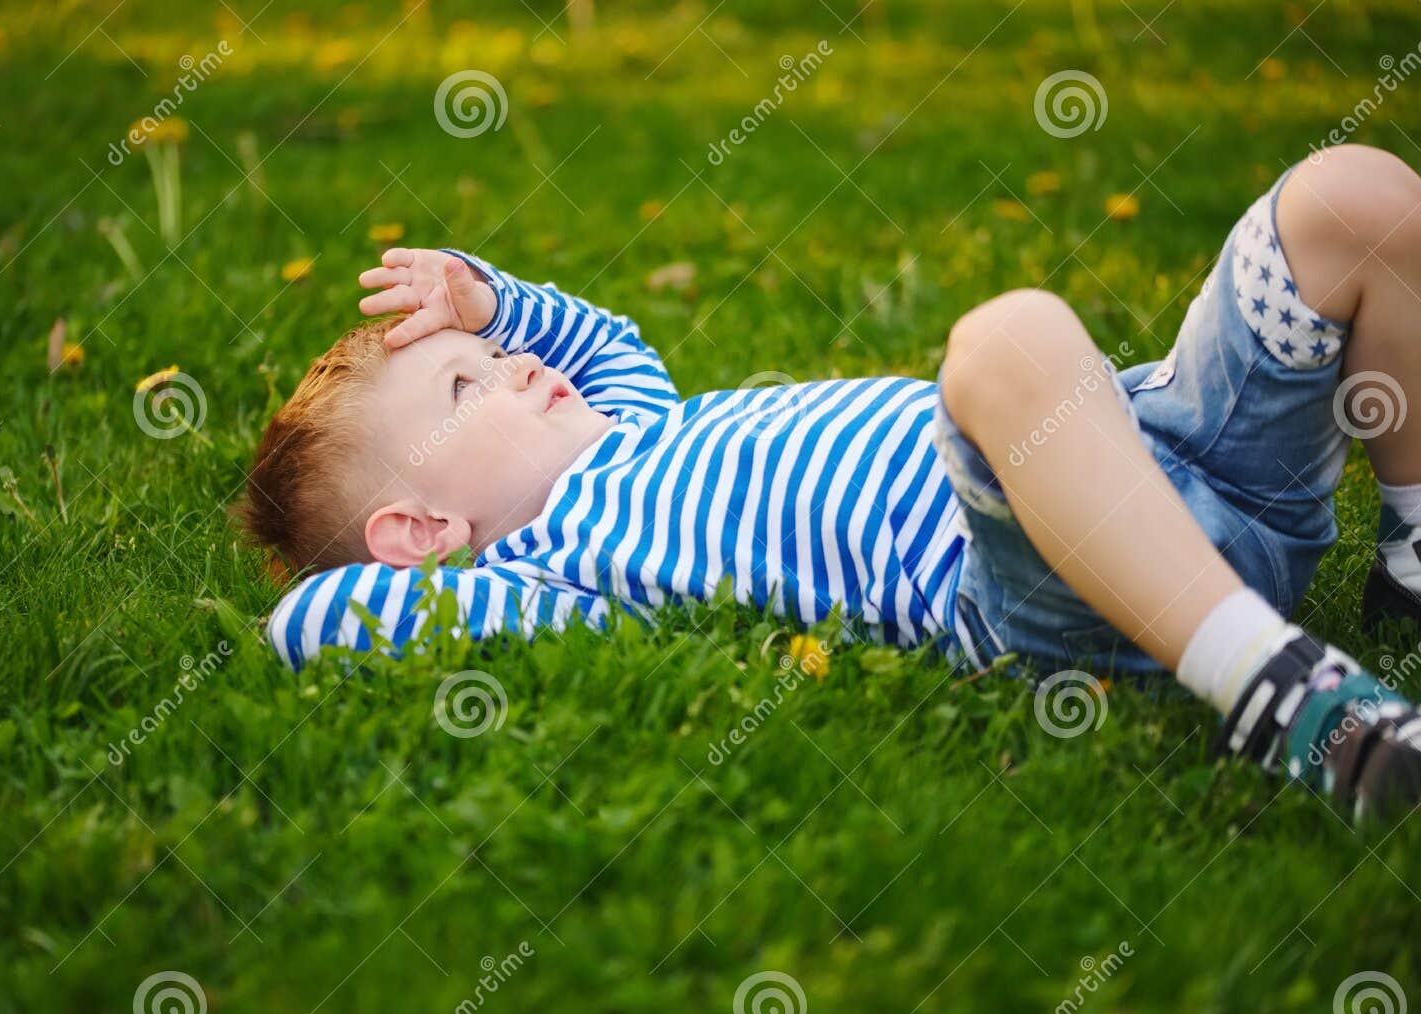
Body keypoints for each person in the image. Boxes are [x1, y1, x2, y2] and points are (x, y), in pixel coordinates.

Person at [237, 145, 1421, 818]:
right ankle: (1278, 694)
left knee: (1348, 201)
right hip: (1045, 582)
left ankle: (1409, 558)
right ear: (421, 528)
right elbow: (314, 621)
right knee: (1007, 345)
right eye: (465, 390)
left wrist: (486, 301)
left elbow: (596, 343)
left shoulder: (636, 416)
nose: (519, 368)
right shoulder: (558, 570)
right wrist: (400, 566)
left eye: (496, 355)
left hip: (1184, 452)